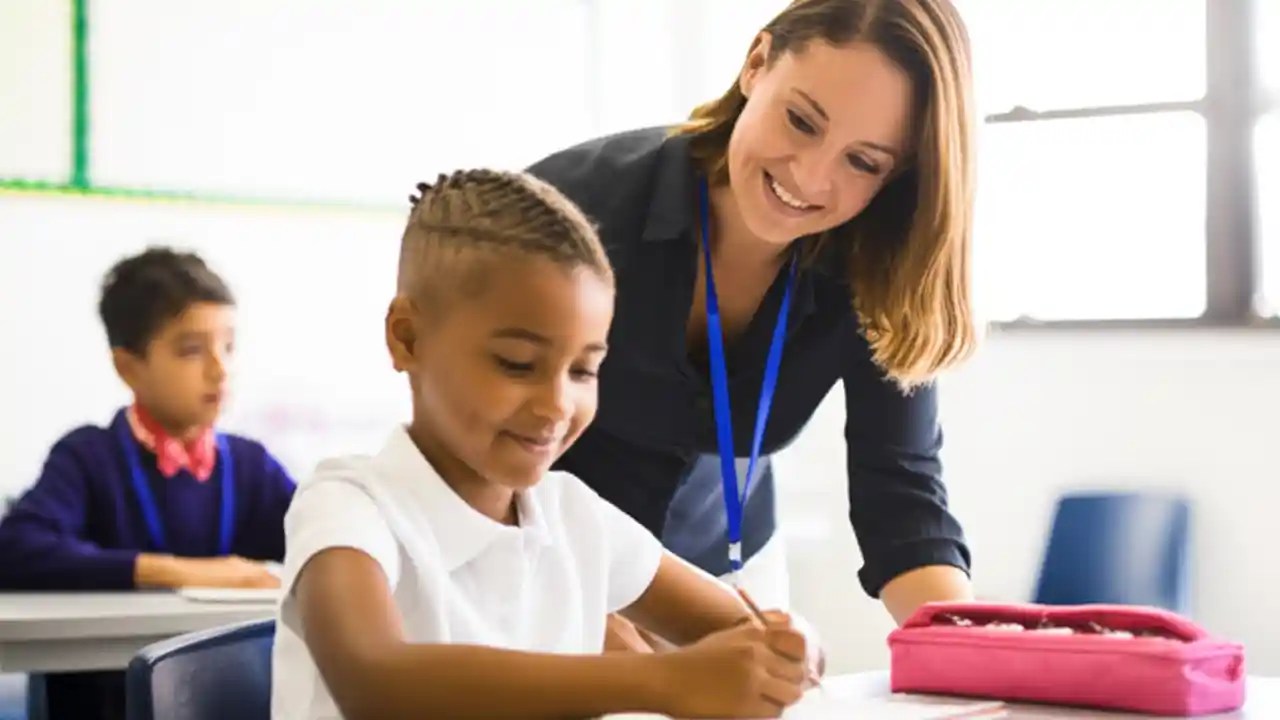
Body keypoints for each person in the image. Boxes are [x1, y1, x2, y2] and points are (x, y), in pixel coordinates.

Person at [272, 169, 822, 720]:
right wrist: (656, 680)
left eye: (584, 370)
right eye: (517, 364)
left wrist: (790, 647)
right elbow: (375, 682)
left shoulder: (574, 515)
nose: (558, 405)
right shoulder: (349, 505)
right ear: (408, 338)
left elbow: (749, 631)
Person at [527, 0, 978, 631]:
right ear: (756, 64)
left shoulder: (881, 266)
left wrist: (978, 653)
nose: (812, 177)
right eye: (801, 120)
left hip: (728, 574)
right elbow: (470, 452)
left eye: (864, 161)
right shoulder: (567, 210)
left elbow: (902, 498)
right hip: (541, 568)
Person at [0, 247, 296, 719]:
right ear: (128, 367)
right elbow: (14, 548)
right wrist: (180, 571)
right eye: (192, 350)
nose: (220, 370)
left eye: (228, 346)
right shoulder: (88, 456)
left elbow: (320, 531)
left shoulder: (248, 464)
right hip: (102, 704)